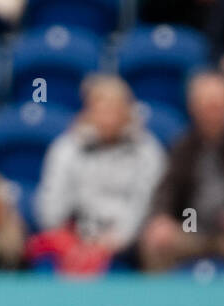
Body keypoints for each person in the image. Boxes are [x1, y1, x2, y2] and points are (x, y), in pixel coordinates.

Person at [140, 72, 224, 273]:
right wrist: (162, 218)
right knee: (155, 240)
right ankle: (161, 302)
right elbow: (167, 189)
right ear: (193, 109)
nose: (211, 113)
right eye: (205, 107)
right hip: (192, 228)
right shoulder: (182, 145)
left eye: (217, 107)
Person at [33, 74, 164, 274]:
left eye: (114, 108)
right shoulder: (67, 147)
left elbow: (144, 203)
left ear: (127, 111)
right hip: (73, 239)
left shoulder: (147, 151)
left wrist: (113, 241)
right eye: (101, 107)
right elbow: (50, 202)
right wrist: (70, 241)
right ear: (89, 110)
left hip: (126, 247)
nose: (107, 116)